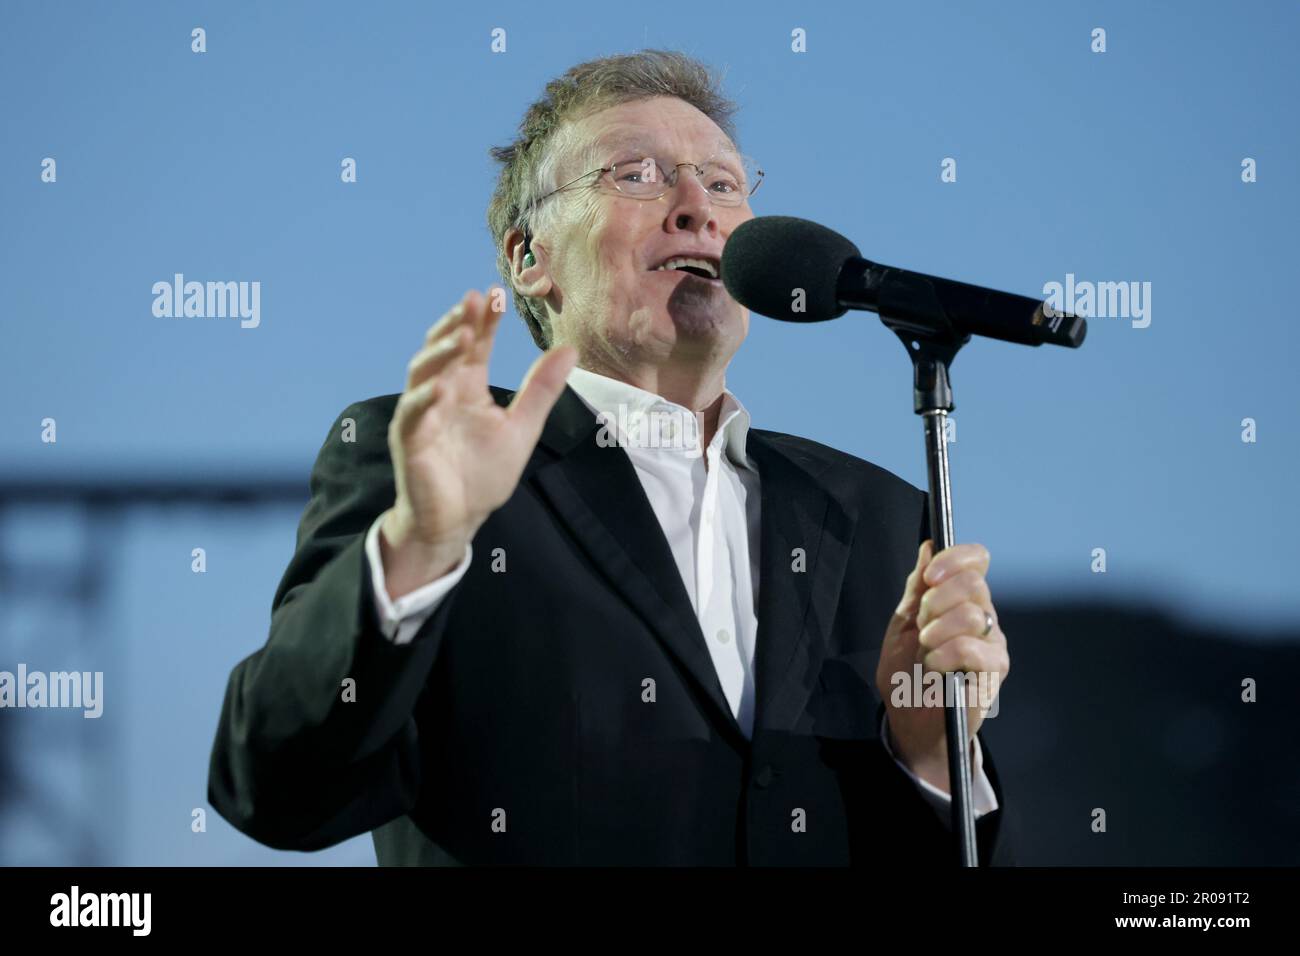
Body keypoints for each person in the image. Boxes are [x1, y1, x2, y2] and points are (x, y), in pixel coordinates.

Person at [208, 49, 1013, 866]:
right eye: (637, 175)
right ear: (531, 259)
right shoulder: (431, 462)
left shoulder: (879, 516)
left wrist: (930, 755)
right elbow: (273, 791)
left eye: (725, 184)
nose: (698, 207)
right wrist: (421, 544)